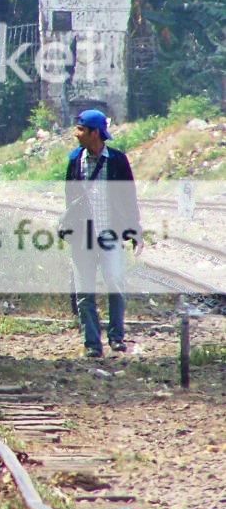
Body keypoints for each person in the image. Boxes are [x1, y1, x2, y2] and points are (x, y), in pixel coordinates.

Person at [63, 109, 143, 359]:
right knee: (84, 291)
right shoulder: (75, 159)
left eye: (81, 129)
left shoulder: (117, 161)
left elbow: (129, 198)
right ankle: (92, 344)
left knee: (115, 283)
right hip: (83, 237)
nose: (76, 134)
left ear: (94, 133)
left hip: (110, 234)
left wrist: (134, 230)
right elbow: (70, 197)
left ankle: (116, 337)